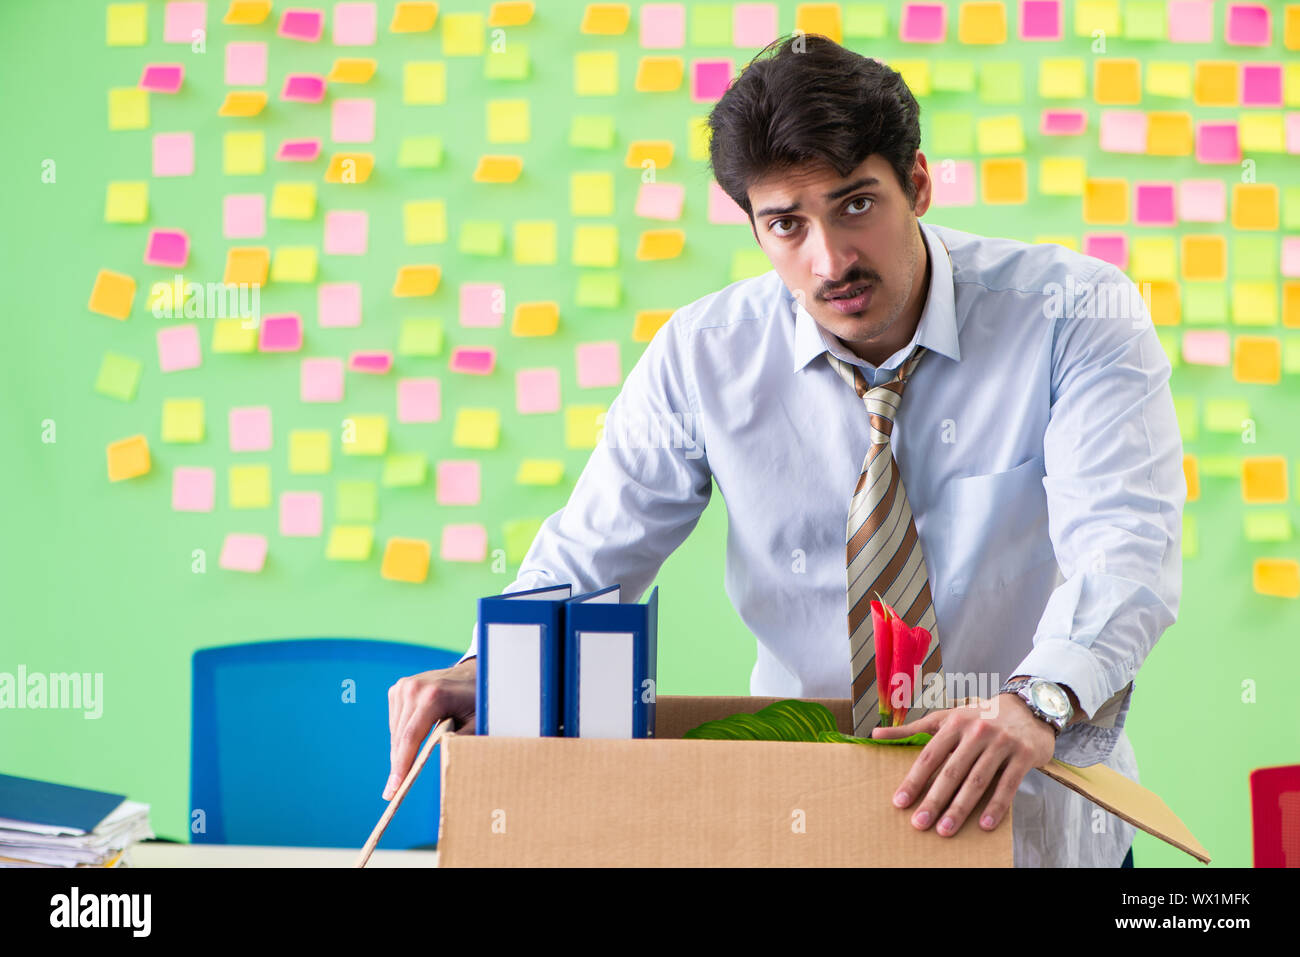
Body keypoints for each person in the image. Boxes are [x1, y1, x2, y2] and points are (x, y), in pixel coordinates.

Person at [386, 34, 1185, 868]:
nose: (829, 259)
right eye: (786, 224)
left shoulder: (1076, 314)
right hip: (804, 818)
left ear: (916, 182)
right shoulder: (704, 354)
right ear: (753, 224)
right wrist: (495, 659)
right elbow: (595, 550)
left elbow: (1124, 548)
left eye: (855, 205)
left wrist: (1035, 700)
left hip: (1039, 821)